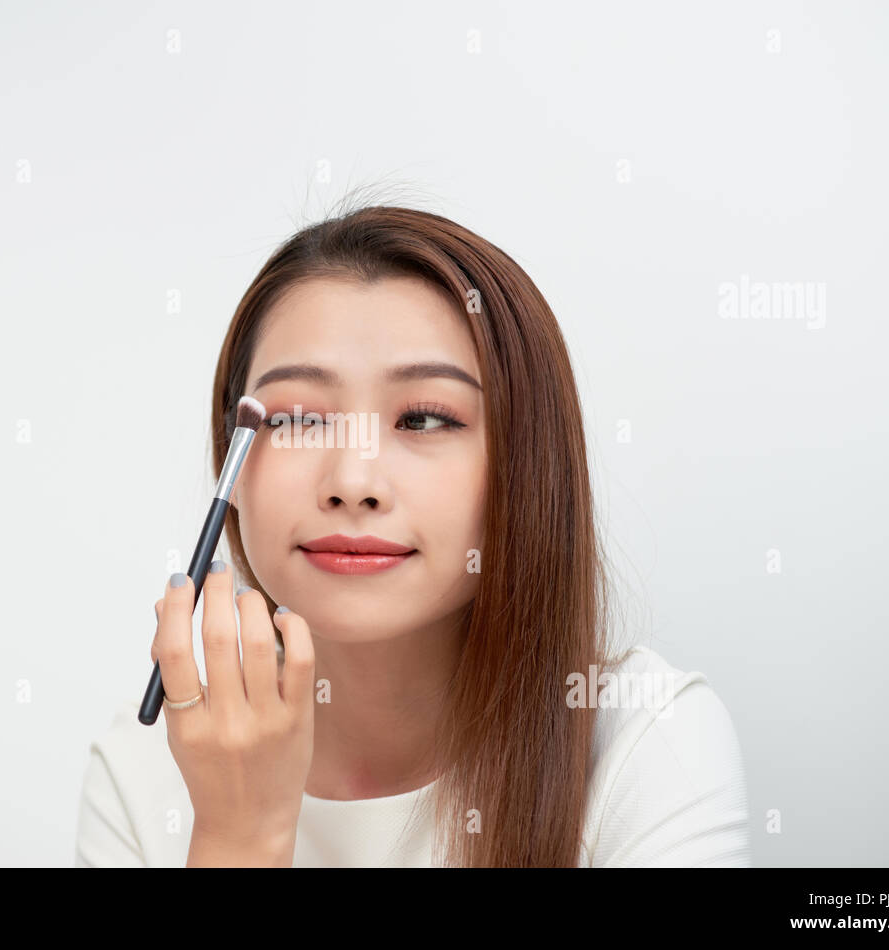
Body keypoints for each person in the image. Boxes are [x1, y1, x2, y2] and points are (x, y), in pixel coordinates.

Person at [77, 204, 750, 867]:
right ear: (234, 454)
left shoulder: (646, 742)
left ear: (527, 462)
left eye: (424, 420)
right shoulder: (142, 775)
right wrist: (237, 836)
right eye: (299, 419)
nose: (351, 479)